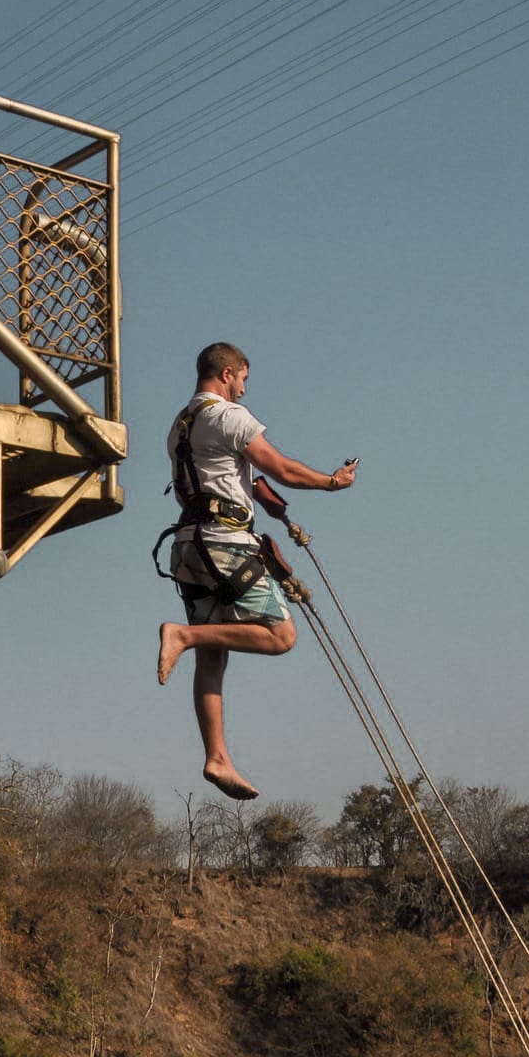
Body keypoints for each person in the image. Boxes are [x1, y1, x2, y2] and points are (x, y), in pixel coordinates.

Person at [155, 343, 357, 800]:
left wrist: (260, 496)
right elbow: (281, 467)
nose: (244, 389)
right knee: (280, 635)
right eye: (243, 379)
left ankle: (217, 757)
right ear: (228, 373)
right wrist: (332, 481)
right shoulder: (230, 417)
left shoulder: (181, 424)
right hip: (225, 545)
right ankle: (180, 636)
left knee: (214, 652)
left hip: (188, 548)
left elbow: (230, 475)